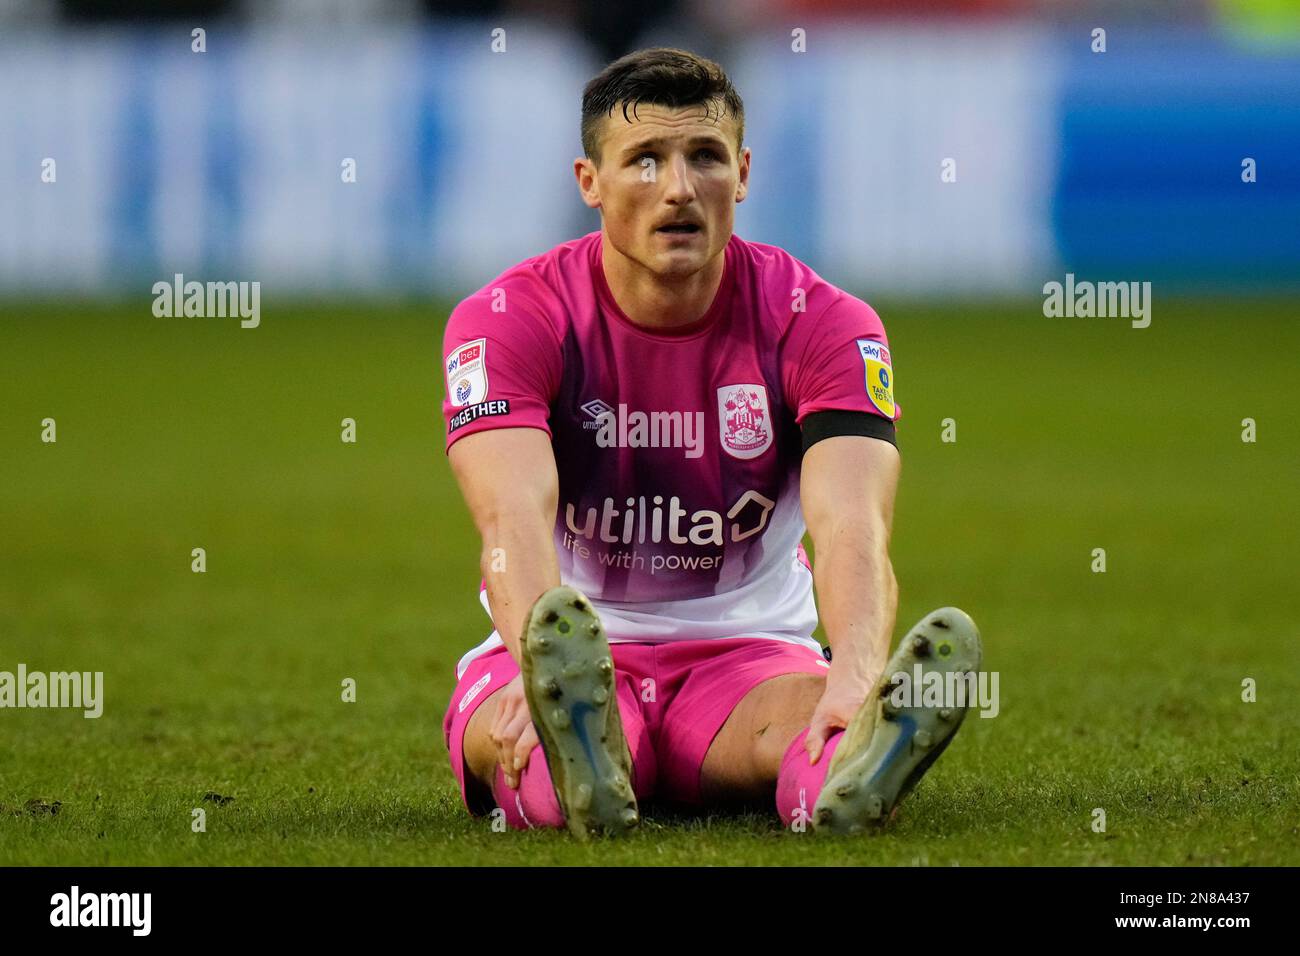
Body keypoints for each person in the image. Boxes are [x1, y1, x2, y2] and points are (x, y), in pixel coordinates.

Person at [440, 47, 981, 838]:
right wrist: (531, 658)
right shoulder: (509, 319)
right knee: (530, 734)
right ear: (589, 183)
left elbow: (851, 524)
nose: (680, 189)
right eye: (646, 161)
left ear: (745, 172)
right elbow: (510, 517)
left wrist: (857, 674)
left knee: (817, 724)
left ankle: (850, 764)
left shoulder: (824, 322)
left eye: (705, 157)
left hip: (748, 654)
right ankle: (577, 740)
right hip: (567, 649)